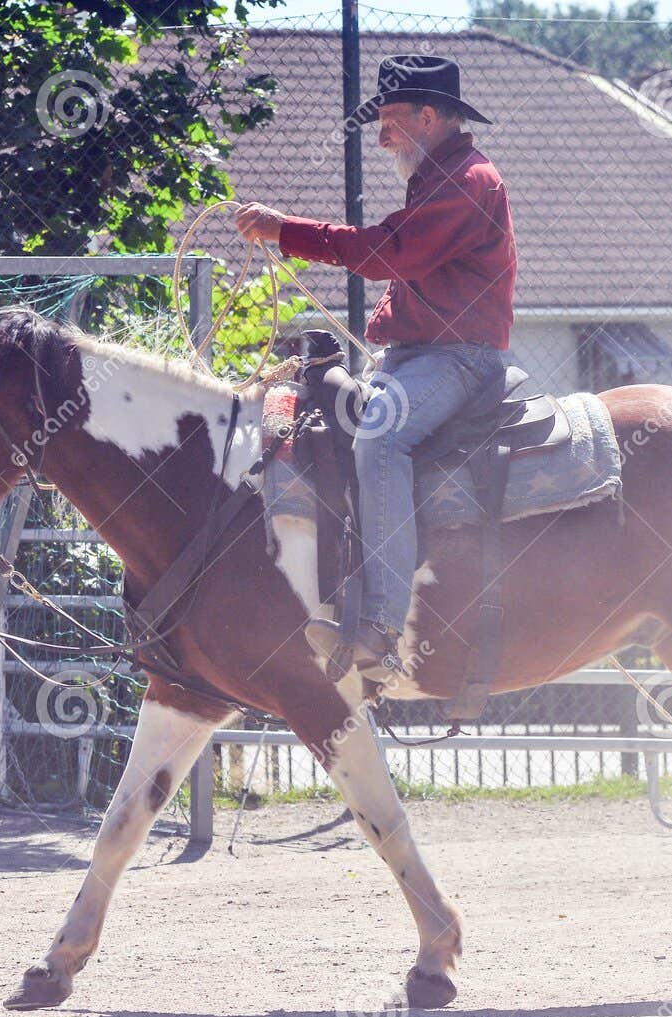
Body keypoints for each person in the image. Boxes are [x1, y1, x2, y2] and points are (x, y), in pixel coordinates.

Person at [234, 54, 517, 677]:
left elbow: (389, 253)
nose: (382, 135)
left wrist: (288, 230)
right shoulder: (440, 178)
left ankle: (384, 628)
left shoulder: (468, 181)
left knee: (380, 438)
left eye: (390, 120)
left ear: (429, 115)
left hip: (459, 361)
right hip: (420, 357)